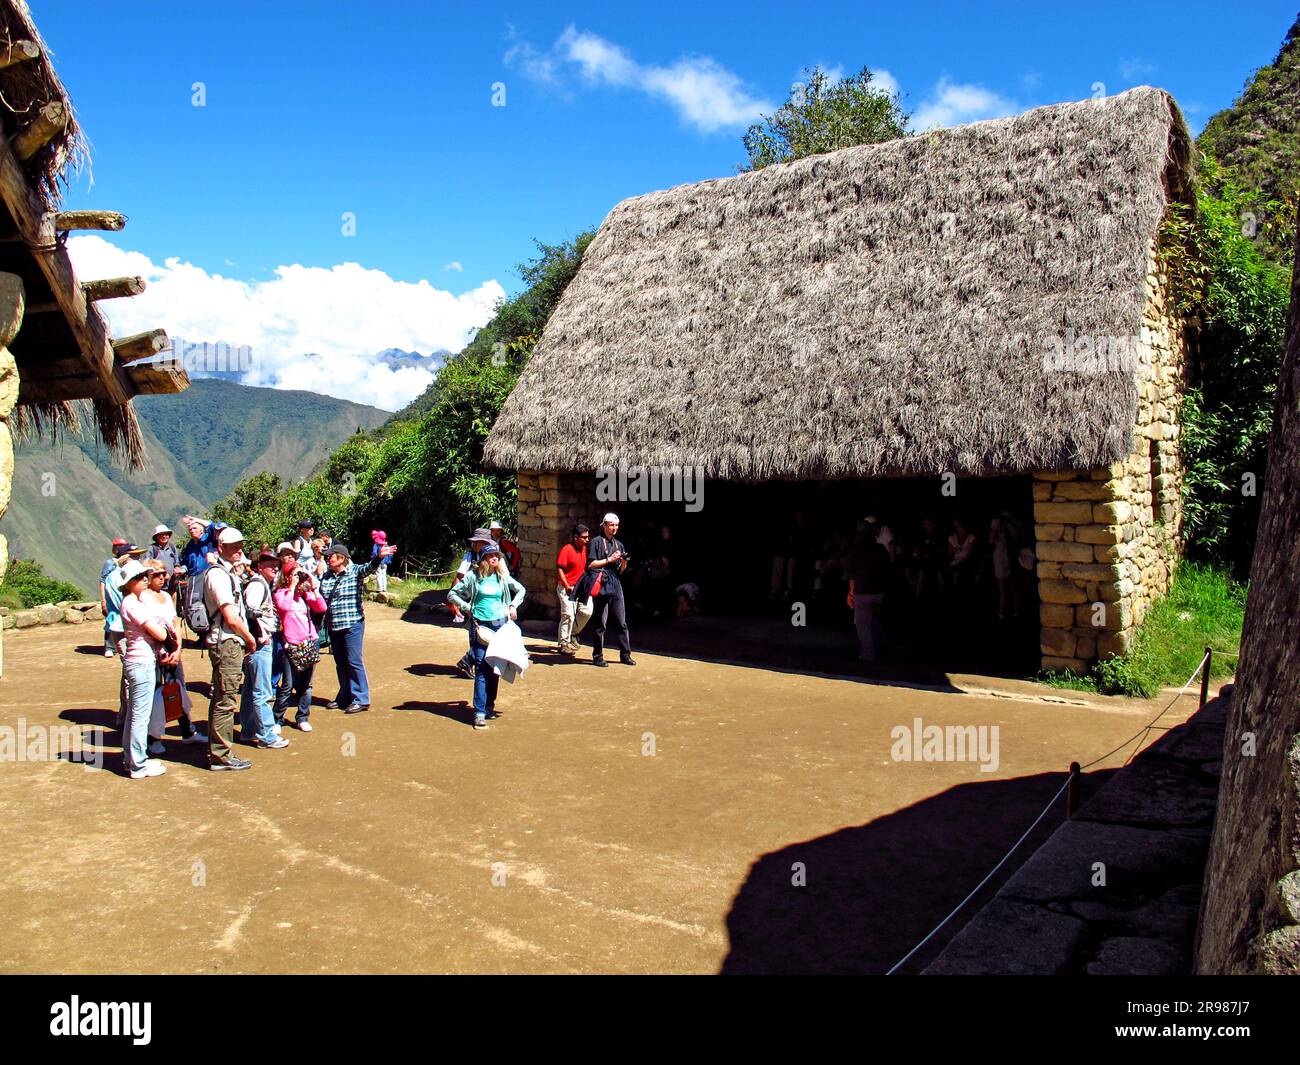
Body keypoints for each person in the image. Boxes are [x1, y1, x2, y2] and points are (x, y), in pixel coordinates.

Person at [446, 540, 526, 729]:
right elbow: (452, 594)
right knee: (482, 667)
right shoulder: (473, 577)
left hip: (500, 627)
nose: (494, 559)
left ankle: (490, 706)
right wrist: (467, 607)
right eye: (490, 556)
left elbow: (521, 589)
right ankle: (479, 712)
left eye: (496, 556)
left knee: (495, 668)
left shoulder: (502, 577)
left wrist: (513, 605)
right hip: (480, 627)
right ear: (482, 559)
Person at [319, 541, 396, 714]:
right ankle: (345, 695)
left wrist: (379, 557)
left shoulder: (354, 572)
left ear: (342, 558)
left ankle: (360, 698)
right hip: (334, 625)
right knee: (340, 663)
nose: (328, 559)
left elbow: (369, 567)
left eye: (331, 556)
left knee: (354, 661)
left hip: (352, 624)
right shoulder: (326, 577)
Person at [203, 527, 258, 771]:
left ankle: (220, 751)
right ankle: (221, 755)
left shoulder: (226, 573)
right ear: (221, 548)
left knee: (222, 696)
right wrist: (249, 638)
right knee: (226, 698)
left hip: (227, 640)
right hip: (227, 641)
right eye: (234, 546)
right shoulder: (218, 576)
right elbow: (230, 616)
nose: (239, 550)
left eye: (240, 545)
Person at [119, 560, 179, 778]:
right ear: (129, 583)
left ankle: (132, 759)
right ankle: (138, 763)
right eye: (139, 577)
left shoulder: (133, 601)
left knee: (134, 714)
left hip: (139, 661)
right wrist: (165, 630)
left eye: (145, 575)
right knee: (139, 716)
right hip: (141, 662)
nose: (145, 579)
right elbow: (160, 634)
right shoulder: (132, 604)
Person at [138, 560, 202, 750]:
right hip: (155, 652)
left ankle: (187, 730)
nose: (162, 577)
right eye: (157, 574)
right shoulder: (142, 598)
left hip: (172, 650)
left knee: (177, 689)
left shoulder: (165, 596)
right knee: (157, 694)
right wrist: (162, 651)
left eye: (163, 573)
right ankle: (153, 737)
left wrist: (178, 649)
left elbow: (174, 622)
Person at [238, 551, 290, 750]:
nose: (275, 568)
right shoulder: (258, 585)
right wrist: (260, 635)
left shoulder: (259, 584)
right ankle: (266, 734)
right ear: (260, 566)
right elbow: (250, 612)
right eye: (270, 564)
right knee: (262, 691)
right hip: (260, 644)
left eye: (276, 565)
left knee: (251, 689)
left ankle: (248, 730)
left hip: (255, 643)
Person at [273, 562, 327, 732]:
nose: (298, 577)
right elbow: (284, 607)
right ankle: (277, 719)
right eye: (295, 574)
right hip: (291, 645)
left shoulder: (304, 595)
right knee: (288, 684)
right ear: (287, 576)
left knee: (306, 685)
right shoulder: (281, 593)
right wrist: (292, 586)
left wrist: (313, 585)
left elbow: (322, 607)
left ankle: (302, 717)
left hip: (309, 643)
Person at [585, 513, 635, 667]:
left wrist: (623, 562)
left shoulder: (619, 545)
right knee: (601, 622)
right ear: (605, 525)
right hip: (602, 582)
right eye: (612, 525)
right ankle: (597, 656)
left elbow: (621, 570)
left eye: (616, 525)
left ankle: (625, 655)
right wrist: (609, 560)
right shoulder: (596, 542)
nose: (614, 528)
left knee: (621, 621)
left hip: (615, 583)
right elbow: (591, 565)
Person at [847, 519, 892, 662]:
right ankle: (881, 641)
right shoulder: (881, 549)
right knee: (871, 616)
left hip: (864, 592)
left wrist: (851, 592)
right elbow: (888, 568)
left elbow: (848, 570)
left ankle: (867, 655)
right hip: (881, 592)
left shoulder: (856, 550)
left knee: (862, 625)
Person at [555, 524, 593, 654]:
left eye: (588, 537)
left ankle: (572, 634)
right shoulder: (566, 549)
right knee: (568, 615)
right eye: (584, 537)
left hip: (579, 587)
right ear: (576, 537)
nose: (587, 540)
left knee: (586, 611)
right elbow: (560, 568)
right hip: (567, 587)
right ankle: (563, 644)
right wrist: (566, 586)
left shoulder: (584, 549)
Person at [100, 537, 127, 656]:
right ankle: (109, 647)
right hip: (112, 596)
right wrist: (103, 600)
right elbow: (102, 581)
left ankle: (121, 645)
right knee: (111, 619)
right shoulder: (110, 563)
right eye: (119, 547)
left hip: (123, 594)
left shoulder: (127, 562)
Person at [145, 524, 181, 592]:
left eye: (166, 534)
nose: (164, 536)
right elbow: (148, 564)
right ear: (156, 537)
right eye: (161, 534)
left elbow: (176, 562)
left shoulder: (172, 548)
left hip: (172, 585)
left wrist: (177, 568)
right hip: (158, 587)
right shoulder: (153, 548)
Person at [370, 530, 393, 595]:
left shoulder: (376, 545)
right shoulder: (387, 546)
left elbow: (374, 553)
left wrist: (373, 558)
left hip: (378, 562)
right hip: (385, 563)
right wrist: (388, 561)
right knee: (384, 575)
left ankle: (380, 588)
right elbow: (390, 555)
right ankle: (384, 588)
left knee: (379, 575)